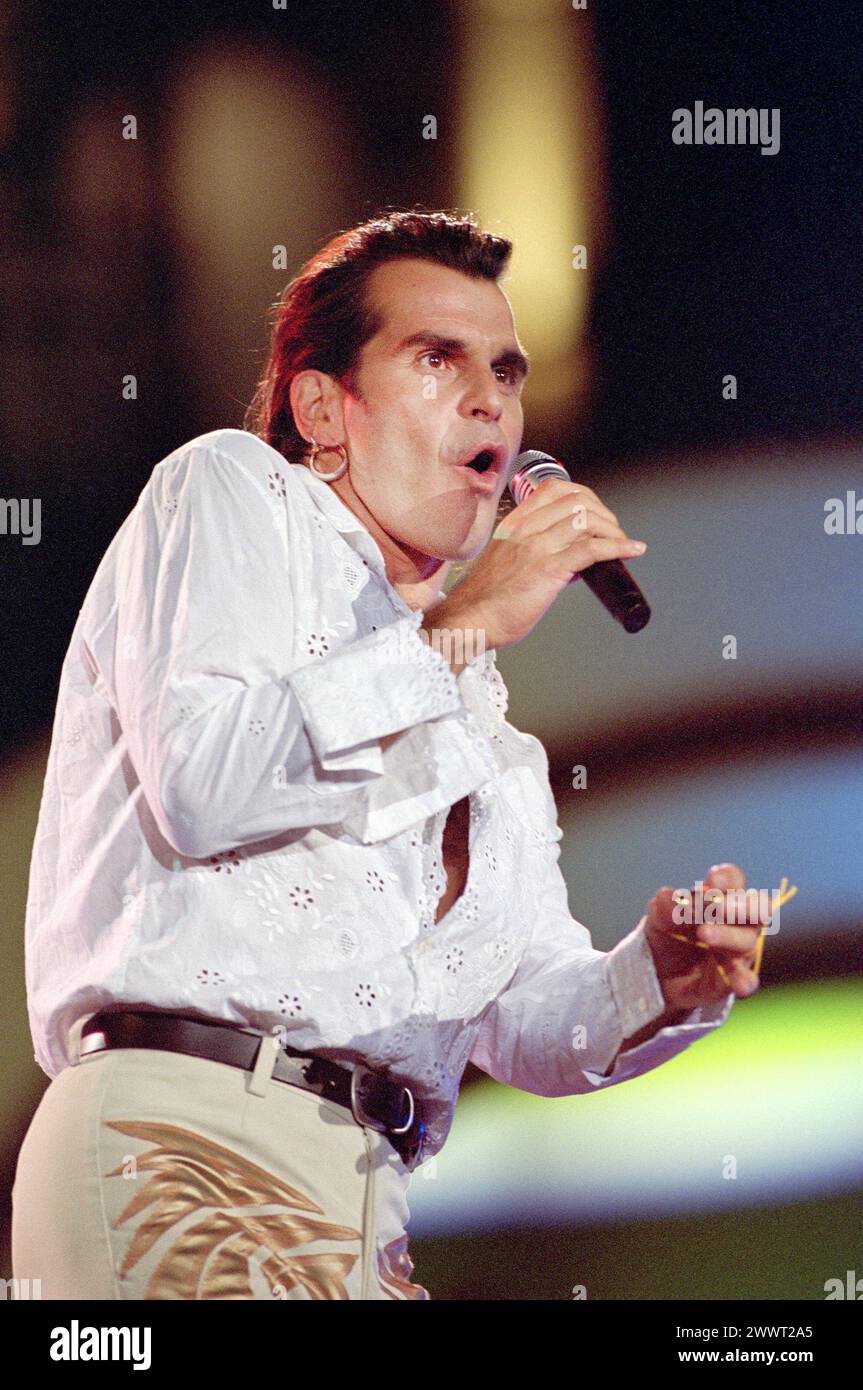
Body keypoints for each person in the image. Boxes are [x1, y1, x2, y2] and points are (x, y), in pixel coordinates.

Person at [12, 209, 762, 1301]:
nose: (486, 398)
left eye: (504, 372)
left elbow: (517, 1020)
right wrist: (459, 626)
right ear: (325, 407)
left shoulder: (491, 744)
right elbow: (202, 784)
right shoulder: (232, 494)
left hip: (365, 1208)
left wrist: (659, 975)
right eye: (436, 358)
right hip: (182, 1154)